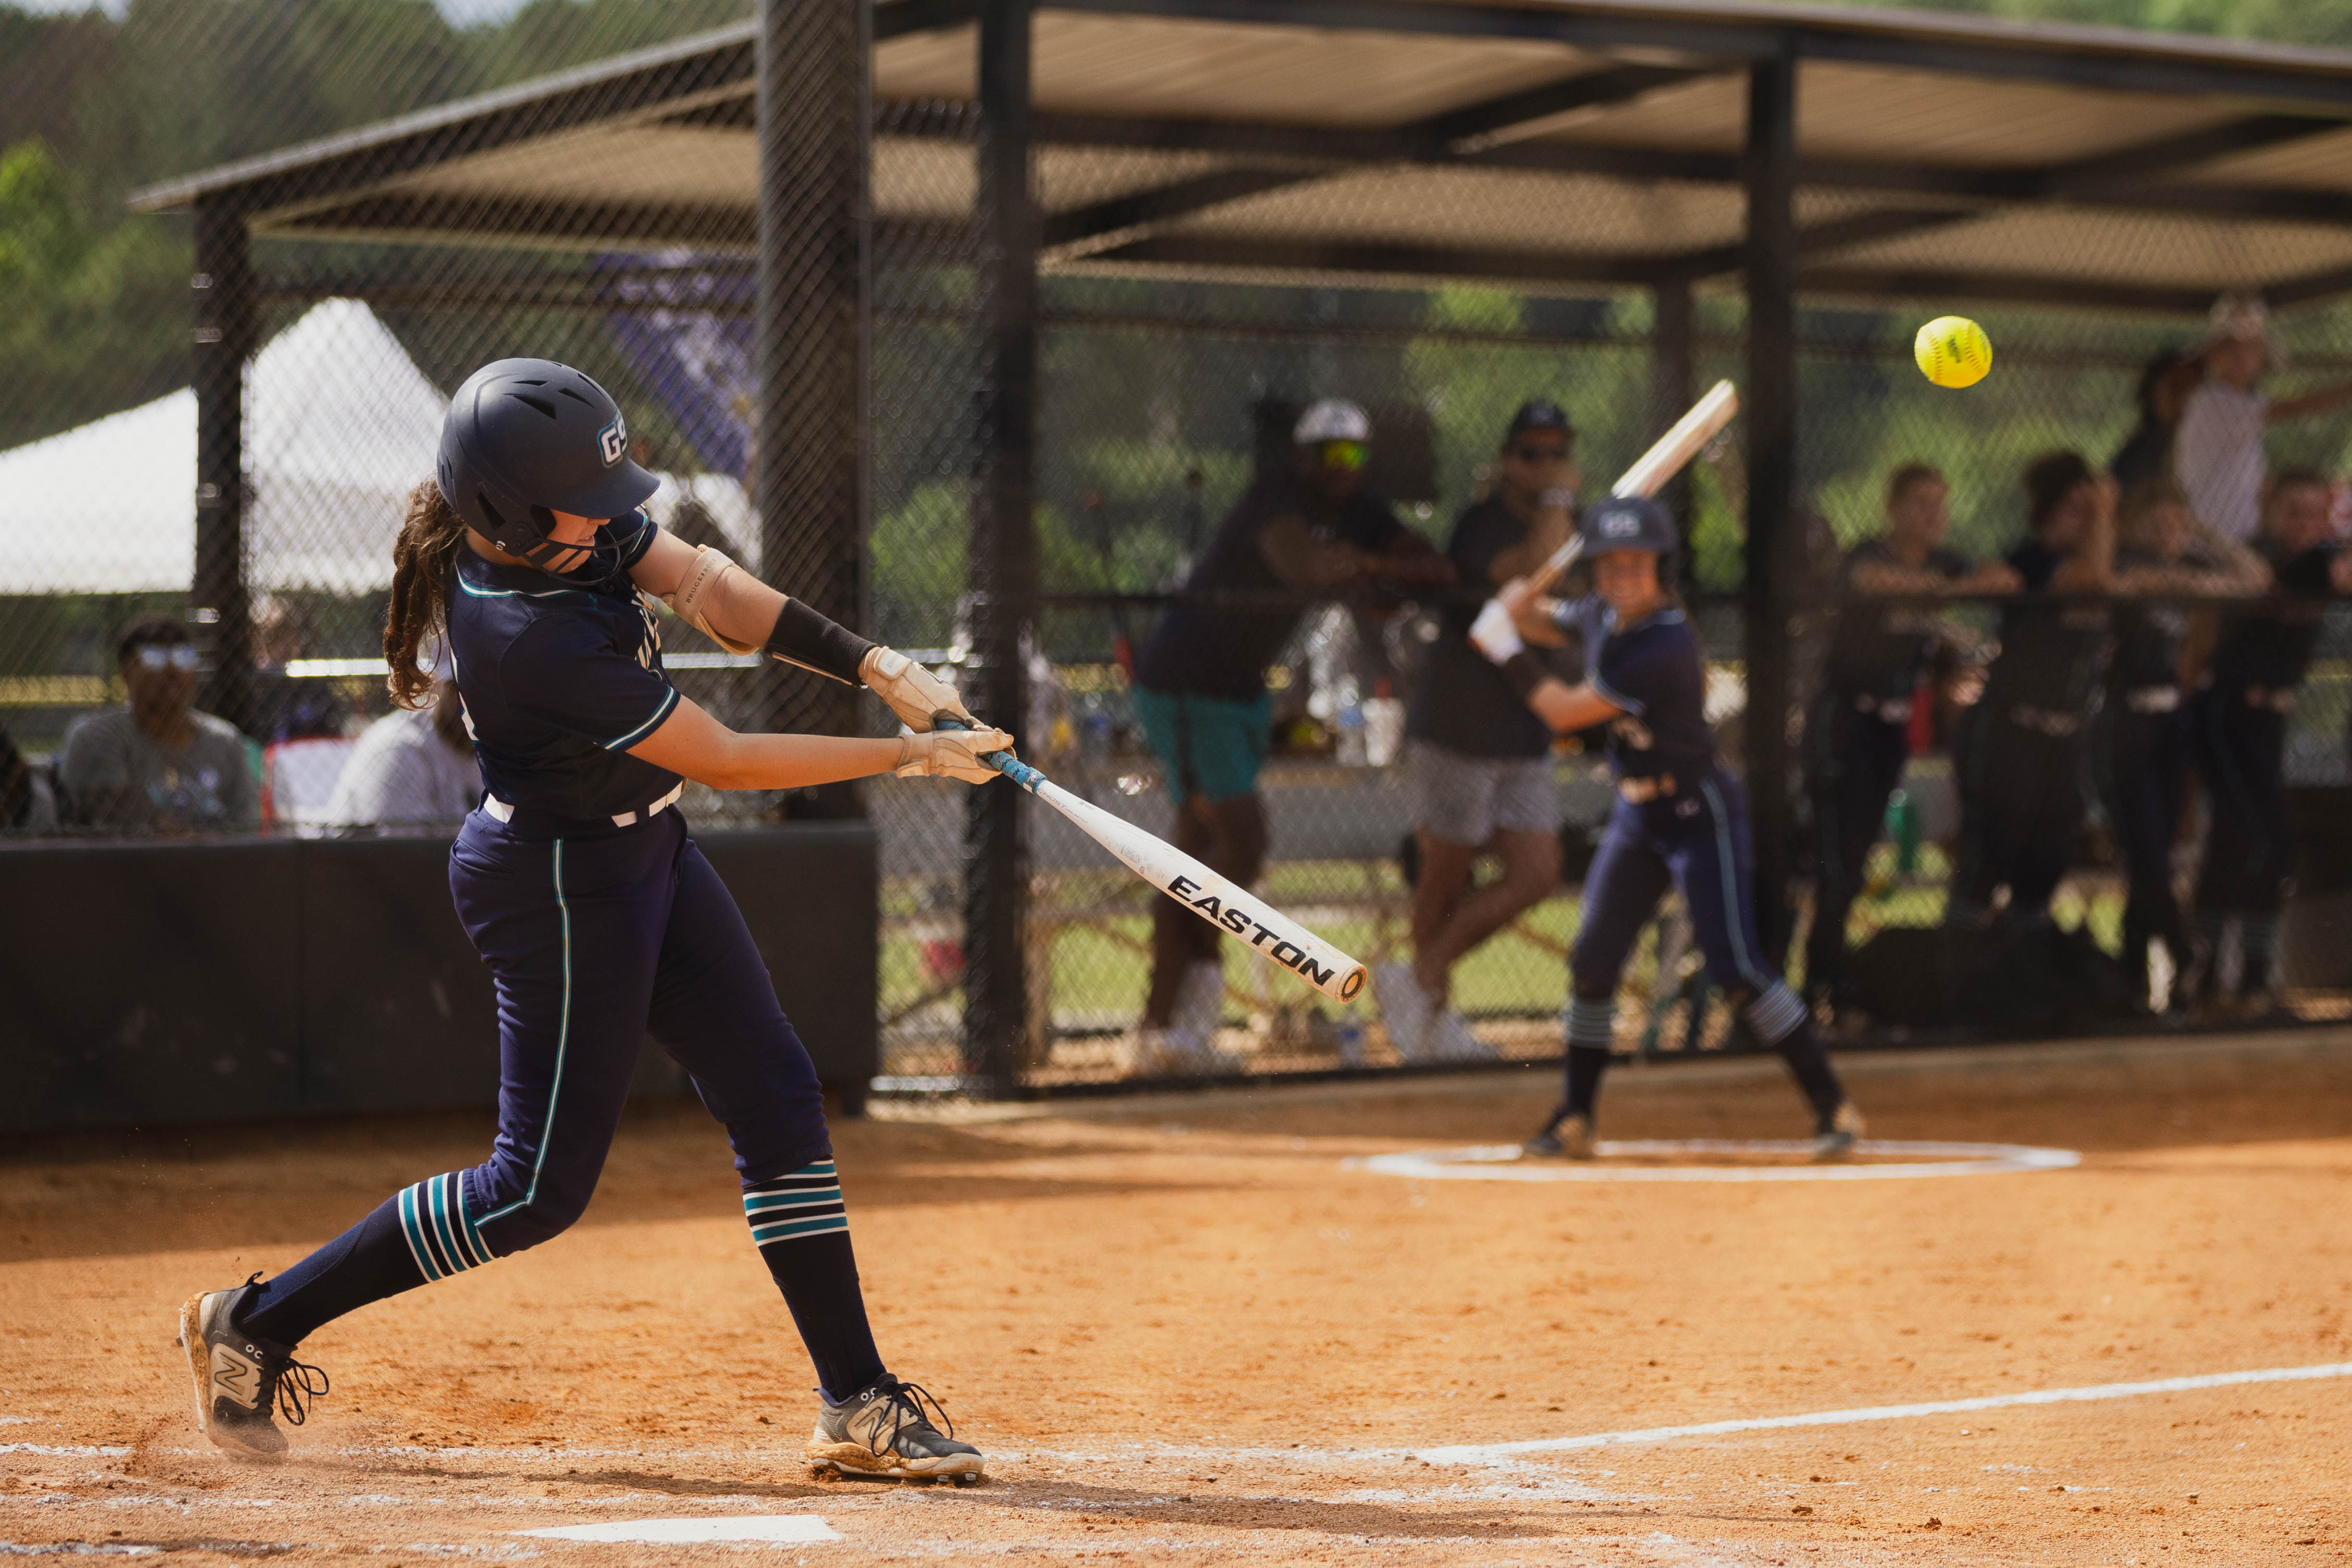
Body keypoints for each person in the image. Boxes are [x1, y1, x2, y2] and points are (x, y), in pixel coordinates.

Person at [176, 358, 1014, 1482]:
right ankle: (259, 1318)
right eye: (594, 503)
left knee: (774, 1093)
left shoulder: (567, 527)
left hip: (643, 849)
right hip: (558, 884)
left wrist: (878, 666)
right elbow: (727, 755)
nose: (623, 519)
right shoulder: (532, 639)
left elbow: (710, 590)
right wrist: (909, 753)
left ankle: (856, 1399)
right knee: (531, 1191)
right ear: (506, 512)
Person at [1467, 494, 1863, 1160]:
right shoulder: (1600, 613)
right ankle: (1575, 1117)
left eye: (1637, 563)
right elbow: (1553, 619)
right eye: (1610, 564)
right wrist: (1514, 606)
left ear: (1661, 567)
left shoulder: (1664, 644)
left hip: (1696, 812)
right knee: (1593, 964)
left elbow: (1563, 711)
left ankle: (1834, 1104)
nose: (1623, 575)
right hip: (1636, 814)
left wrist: (1503, 645)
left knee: (1736, 968)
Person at [1129, 398, 1454, 1072]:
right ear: (1302, 457)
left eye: (1355, 455)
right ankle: (1169, 1020)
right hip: (1190, 681)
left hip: (1243, 689)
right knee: (1238, 843)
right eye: (1330, 455)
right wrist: (1373, 566)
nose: (1343, 469)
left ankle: (1174, 1029)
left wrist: (1367, 560)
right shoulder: (1274, 496)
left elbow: (1429, 565)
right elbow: (1305, 567)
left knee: (1198, 848)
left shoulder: (1357, 508)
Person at [1381, 399, 1578, 1061]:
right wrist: (1556, 498)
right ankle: (1431, 1022)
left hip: (1524, 732)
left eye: (1557, 453)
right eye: (1531, 454)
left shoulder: (1569, 526)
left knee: (1535, 872)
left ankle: (1417, 981)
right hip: (1459, 731)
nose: (1545, 465)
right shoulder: (1480, 525)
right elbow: (1536, 568)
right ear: (1506, 462)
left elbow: (1565, 604)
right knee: (1447, 873)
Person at [1803, 463, 2019, 1018]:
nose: (1932, 515)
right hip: (1844, 720)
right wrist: (1947, 590)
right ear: (1893, 507)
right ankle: (1817, 985)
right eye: (1920, 503)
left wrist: (1947, 585)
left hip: (1891, 729)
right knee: (1838, 861)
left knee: (1860, 854)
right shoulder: (1868, 552)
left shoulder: (1945, 562)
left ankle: (1832, 984)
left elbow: (2004, 579)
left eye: (1939, 505)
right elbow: (1872, 582)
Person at [2185, 469, 2352, 1018]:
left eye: (2313, 515)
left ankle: (2238, 984)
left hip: (2270, 718)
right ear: (2269, 511)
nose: (2303, 526)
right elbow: (2321, 572)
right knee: (2266, 838)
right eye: (2292, 514)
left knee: (2242, 841)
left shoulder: (2316, 556)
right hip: (2228, 713)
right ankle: (2219, 977)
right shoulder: (2262, 555)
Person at [2105, 479, 2268, 1008]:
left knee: (2155, 855)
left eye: (2177, 522)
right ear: (2136, 524)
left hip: (2170, 723)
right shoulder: (2124, 559)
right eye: (2160, 523)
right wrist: (2176, 575)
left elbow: (2255, 580)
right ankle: (2183, 949)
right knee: (2147, 850)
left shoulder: (2191, 567)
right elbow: (2125, 583)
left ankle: (2132, 981)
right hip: (2122, 720)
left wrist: (2206, 534)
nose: (2169, 532)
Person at [1946, 453, 2116, 932]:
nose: (2086, 523)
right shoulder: (2030, 559)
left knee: (2048, 859)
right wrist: (2104, 512)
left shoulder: (2107, 554)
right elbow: (2093, 581)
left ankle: (2023, 976)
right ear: (2047, 513)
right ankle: (1953, 970)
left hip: (2064, 740)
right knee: (1988, 858)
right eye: (2074, 511)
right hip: (2008, 732)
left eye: (2091, 511)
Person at [2172, 292, 2352, 543]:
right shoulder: (2212, 401)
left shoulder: (2239, 401)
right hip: (2212, 537)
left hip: (2240, 534)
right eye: (2233, 349)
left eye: (2252, 349)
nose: (2244, 358)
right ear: (2214, 355)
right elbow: (2293, 408)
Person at [59, 618, 260, 835]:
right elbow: (123, 831)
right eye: (154, 658)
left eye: (183, 657)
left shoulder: (225, 742)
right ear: (126, 670)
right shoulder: (99, 737)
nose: (172, 670)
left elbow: (246, 830)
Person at [323, 678, 480, 834]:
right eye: (463, 690)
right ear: (437, 686)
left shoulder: (486, 747)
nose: (482, 702)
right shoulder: (399, 749)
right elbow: (402, 853)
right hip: (367, 858)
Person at [245, 596, 349, 744]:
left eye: (291, 634)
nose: (285, 645)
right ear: (258, 640)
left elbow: (332, 733)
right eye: (274, 636)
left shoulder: (314, 685)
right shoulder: (254, 689)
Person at [2109, 347, 2203, 496]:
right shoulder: (2142, 448)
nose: (2182, 398)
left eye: (2190, 390)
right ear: (2153, 393)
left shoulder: (2207, 446)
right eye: (2175, 387)